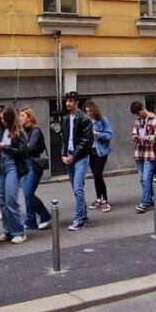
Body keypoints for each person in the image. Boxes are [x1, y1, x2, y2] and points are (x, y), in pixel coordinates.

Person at [0, 106, 28, 243]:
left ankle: (19, 231)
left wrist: (5, 147)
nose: (2, 121)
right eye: (1, 118)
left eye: (4, 118)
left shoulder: (18, 132)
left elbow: (23, 151)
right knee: (2, 200)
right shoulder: (0, 130)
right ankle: (7, 230)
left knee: (11, 199)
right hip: (0, 165)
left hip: (12, 165)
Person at [60, 92, 94, 230]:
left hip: (80, 157)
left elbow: (86, 141)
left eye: (71, 101)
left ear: (77, 102)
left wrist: (73, 155)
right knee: (75, 188)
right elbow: (64, 138)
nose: (68, 104)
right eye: (67, 101)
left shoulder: (84, 119)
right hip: (69, 155)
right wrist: (63, 154)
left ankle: (79, 219)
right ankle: (83, 213)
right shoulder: (65, 118)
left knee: (78, 187)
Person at [19, 108, 54, 233]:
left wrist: (20, 147)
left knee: (28, 192)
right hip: (25, 164)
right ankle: (31, 220)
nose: (20, 118)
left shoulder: (35, 131)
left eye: (22, 115)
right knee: (26, 193)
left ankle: (45, 215)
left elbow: (30, 147)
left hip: (34, 164)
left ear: (29, 117)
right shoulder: (25, 131)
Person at [130, 101, 156, 213]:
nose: (138, 115)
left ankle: (146, 202)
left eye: (138, 113)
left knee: (146, 178)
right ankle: (149, 198)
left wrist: (145, 138)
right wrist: (135, 137)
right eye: (136, 114)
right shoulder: (138, 121)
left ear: (143, 108)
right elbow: (134, 133)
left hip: (151, 153)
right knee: (142, 178)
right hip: (140, 153)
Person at [86, 100, 114, 213]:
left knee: (98, 174)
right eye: (87, 111)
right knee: (96, 176)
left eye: (90, 111)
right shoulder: (87, 121)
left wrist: (97, 134)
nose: (89, 113)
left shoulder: (103, 120)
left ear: (94, 110)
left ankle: (105, 200)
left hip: (101, 151)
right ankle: (99, 199)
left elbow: (110, 134)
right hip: (91, 151)